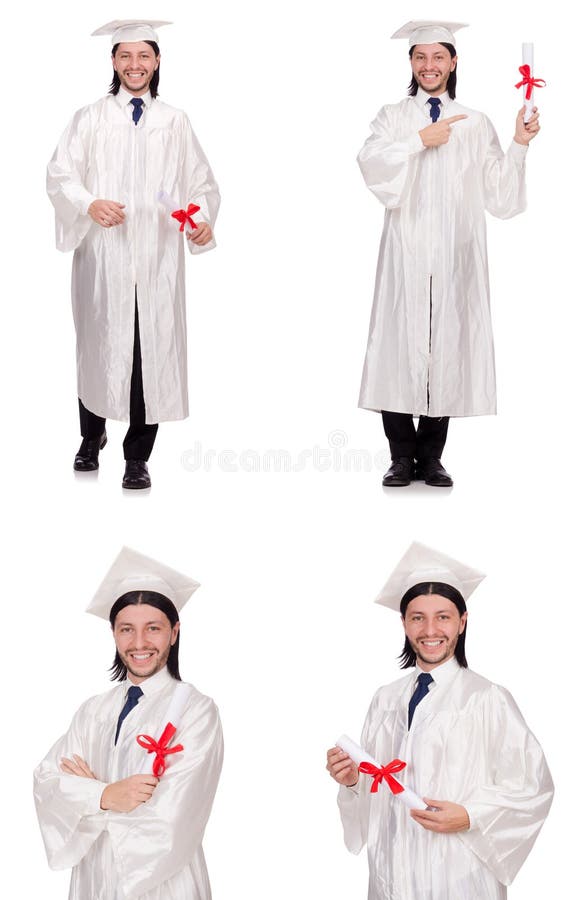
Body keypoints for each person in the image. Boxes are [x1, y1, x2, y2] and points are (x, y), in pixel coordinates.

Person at [356, 21, 541, 487]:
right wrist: (420, 140)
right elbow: (371, 163)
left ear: (453, 62)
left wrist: (520, 142)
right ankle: (401, 456)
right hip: (407, 253)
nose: (429, 65)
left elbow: (500, 194)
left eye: (438, 57)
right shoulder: (393, 117)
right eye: (421, 57)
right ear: (411, 63)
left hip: (457, 254)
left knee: (447, 346)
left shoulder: (475, 122)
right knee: (400, 346)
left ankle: (431, 456)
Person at [326, 542, 553, 900]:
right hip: (390, 874)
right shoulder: (385, 699)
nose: (430, 629)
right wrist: (354, 781)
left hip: (459, 874)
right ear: (404, 623)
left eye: (443, 616)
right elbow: (375, 795)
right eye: (418, 617)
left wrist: (471, 816)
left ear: (462, 622)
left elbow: (532, 786)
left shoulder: (486, 698)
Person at [47, 20, 220, 489]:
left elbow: (197, 184)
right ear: (113, 62)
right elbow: (61, 174)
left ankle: (137, 456)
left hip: (158, 256)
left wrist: (199, 221)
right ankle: (91, 437)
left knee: (150, 351)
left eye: (143, 56)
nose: (135, 65)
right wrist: (89, 203)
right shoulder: (91, 117)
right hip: (104, 258)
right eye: (125, 56)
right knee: (99, 345)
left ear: (157, 61)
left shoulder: (174, 121)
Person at [34, 547, 223, 900]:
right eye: (127, 629)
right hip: (93, 880)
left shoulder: (196, 711)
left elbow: (174, 817)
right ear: (114, 633)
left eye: (153, 628)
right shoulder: (93, 711)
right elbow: (47, 781)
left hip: (165, 886)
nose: (139, 643)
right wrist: (106, 795)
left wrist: (87, 800)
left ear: (174, 632)